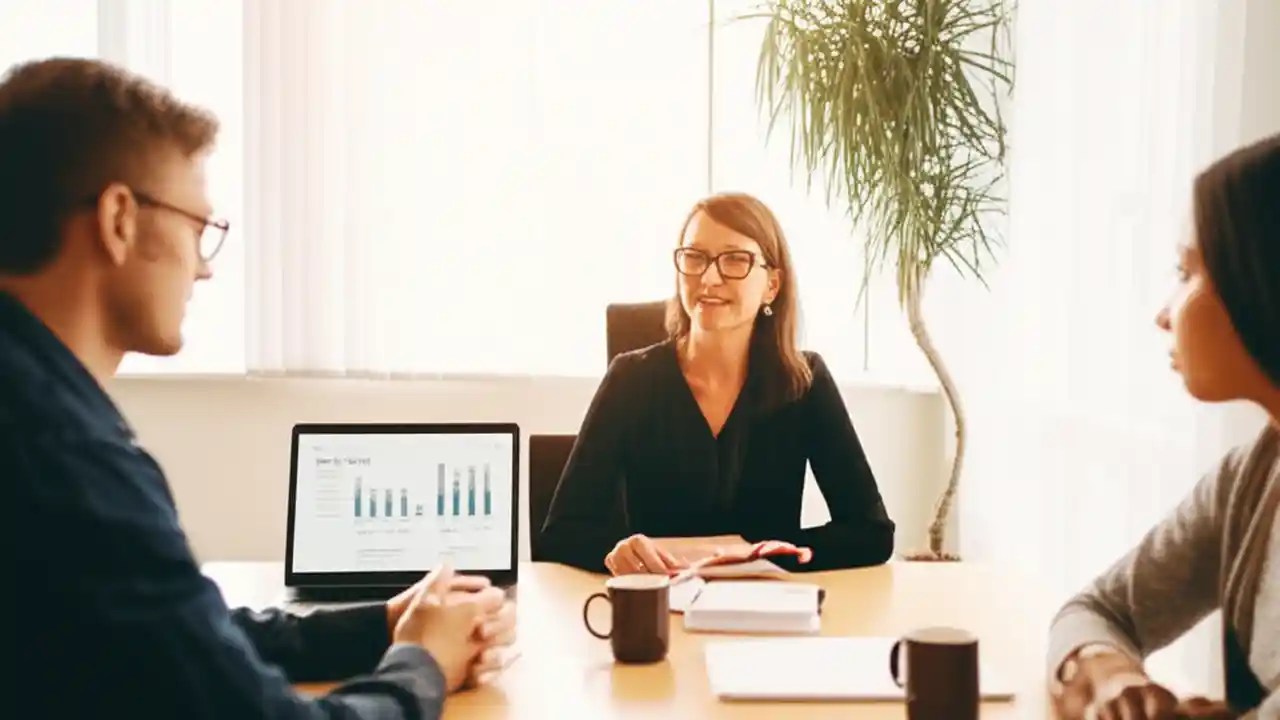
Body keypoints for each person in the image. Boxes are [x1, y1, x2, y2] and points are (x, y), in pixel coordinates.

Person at [2, 57, 514, 719]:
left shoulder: (32, 407)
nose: (204, 270)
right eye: (198, 228)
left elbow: (177, 636)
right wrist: (423, 665)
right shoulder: (63, 459)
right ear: (119, 218)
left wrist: (384, 625)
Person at [539, 191, 895, 575]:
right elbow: (563, 533)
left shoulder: (804, 382)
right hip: (659, 609)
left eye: (735, 260)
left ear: (772, 285)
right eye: (694, 257)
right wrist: (621, 552)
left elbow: (871, 532)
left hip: (765, 612)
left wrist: (759, 556)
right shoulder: (631, 379)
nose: (708, 277)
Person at [1049, 134, 1279, 720]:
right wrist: (1108, 673)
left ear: (1261, 278)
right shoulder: (1251, 480)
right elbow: (1098, 609)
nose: (1163, 313)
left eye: (1186, 272)